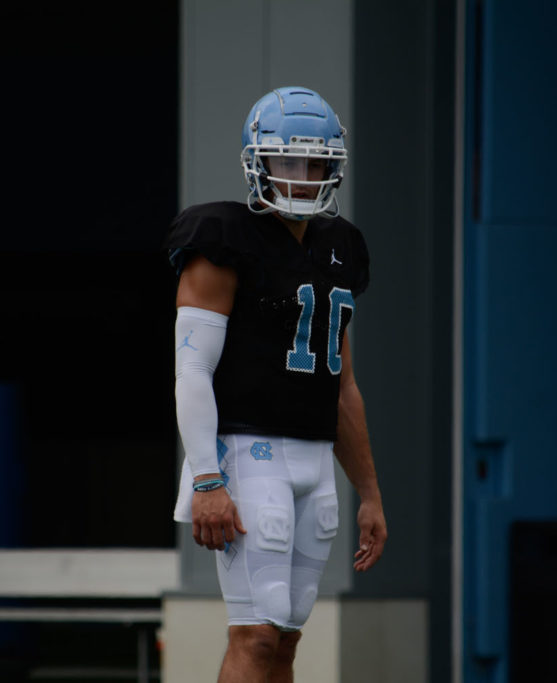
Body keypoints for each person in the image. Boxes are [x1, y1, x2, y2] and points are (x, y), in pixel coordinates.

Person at [166, 86, 387, 682]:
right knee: (256, 635)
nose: (301, 175)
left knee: (286, 637)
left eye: (314, 162)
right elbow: (192, 369)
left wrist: (368, 490)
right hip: (247, 453)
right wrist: (207, 477)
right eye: (286, 160)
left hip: (315, 464)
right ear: (258, 163)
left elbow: (341, 383)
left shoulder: (341, 247)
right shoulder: (221, 237)